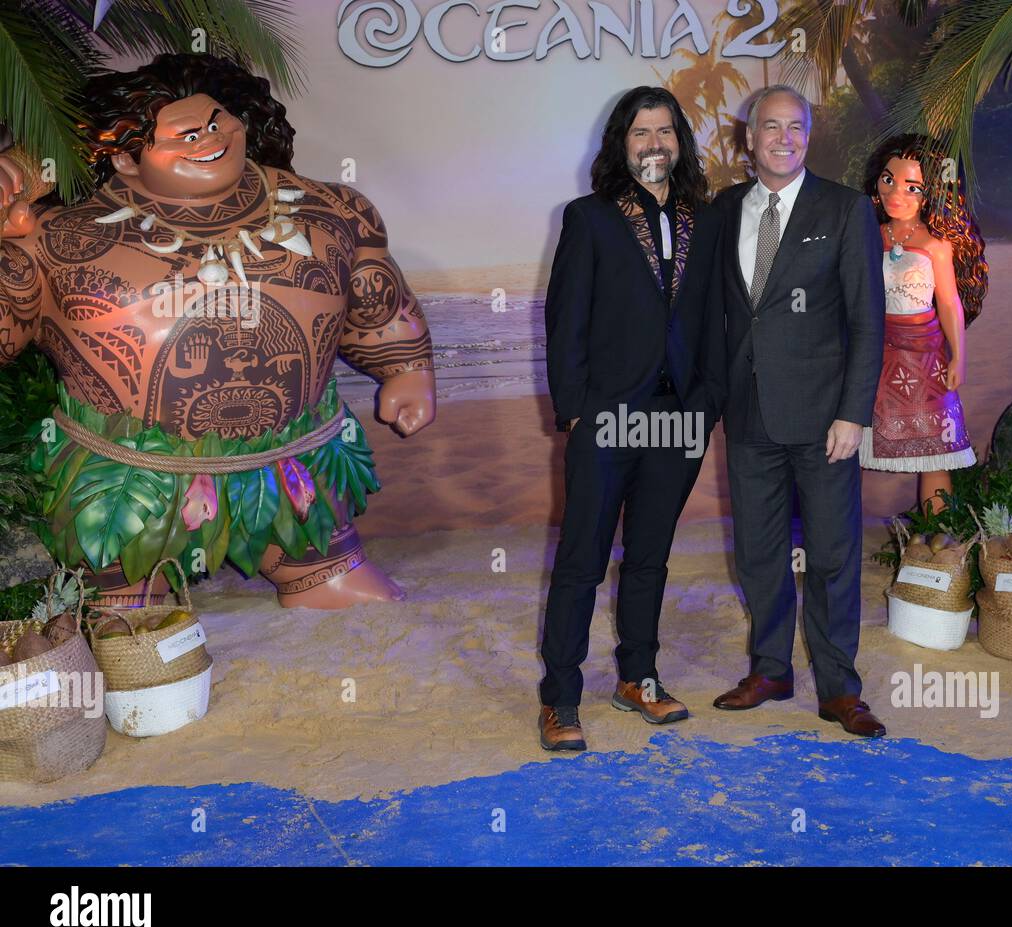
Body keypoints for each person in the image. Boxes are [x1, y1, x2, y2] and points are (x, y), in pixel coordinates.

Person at [0, 53, 434, 609]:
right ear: (124, 158)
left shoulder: (333, 210)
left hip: (297, 469)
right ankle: (128, 598)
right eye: (182, 134)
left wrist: (406, 369)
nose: (208, 137)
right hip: (125, 487)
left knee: (329, 567)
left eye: (216, 121)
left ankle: (317, 568)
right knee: (128, 610)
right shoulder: (54, 242)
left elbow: (377, 299)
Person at [538, 87, 727, 752]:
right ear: (622, 143)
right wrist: (577, 414)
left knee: (649, 559)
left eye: (666, 131)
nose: (655, 143)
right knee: (581, 561)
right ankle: (560, 698)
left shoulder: (705, 219)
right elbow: (565, 324)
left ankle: (638, 678)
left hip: (678, 418)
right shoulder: (588, 219)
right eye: (641, 132)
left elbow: (716, 322)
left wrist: (706, 406)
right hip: (608, 418)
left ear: (680, 142)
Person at [710, 86, 887, 737]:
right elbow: (717, 316)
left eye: (797, 127)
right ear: (749, 137)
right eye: (771, 127)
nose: (784, 138)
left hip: (824, 423)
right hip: (749, 416)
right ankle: (771, 669)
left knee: (835, 556)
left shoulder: (845, 210)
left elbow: (869, 322)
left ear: (809, 136)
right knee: (757, 555)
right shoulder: (724, 211)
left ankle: (840, 688)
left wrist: (853, 414)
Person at [858, 134, 987, 513]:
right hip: (875, 351)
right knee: (854, 439)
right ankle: (839, 536)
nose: (896, 193)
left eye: (912, 186)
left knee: (936, 449)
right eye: (888, 180)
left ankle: (937, 540)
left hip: (924, 353)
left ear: (930, 191)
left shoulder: (936, 246)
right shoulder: (866, 235)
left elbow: (949, 302)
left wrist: (958, 356)